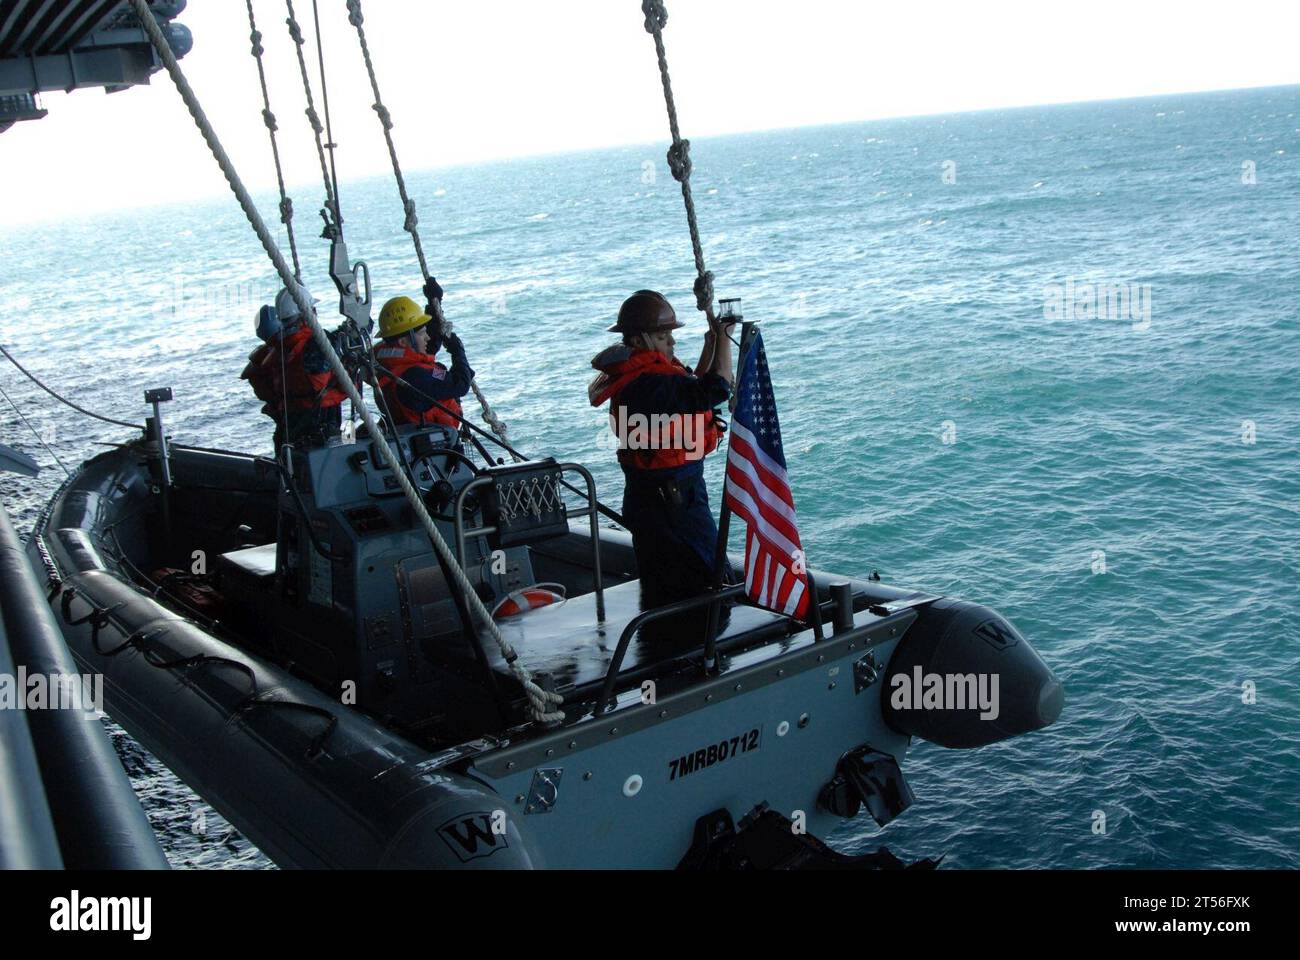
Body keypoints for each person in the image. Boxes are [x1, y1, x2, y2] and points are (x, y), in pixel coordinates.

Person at [588, 289, 735, 645]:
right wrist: (725, 339)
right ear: (640, 340)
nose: (671, 342)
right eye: (662, 335)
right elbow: (715, 389)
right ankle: (702, 655)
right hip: (673, 501)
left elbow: (691, 389)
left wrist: (711, 341)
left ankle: (667, 652)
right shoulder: (649, 385)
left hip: (654, 497)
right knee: (714, 578)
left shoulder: (644, 380)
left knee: (666, 580)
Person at [242, 284, 349, 450]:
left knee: (293, 467)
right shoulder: (318, 344)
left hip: (289, 430)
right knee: (351, 438)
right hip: (323, 429)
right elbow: (347, 376)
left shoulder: (276, 349)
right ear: (306, 314)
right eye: (313, 309)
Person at [372, 281, 474, 429]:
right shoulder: (415, 377)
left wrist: (434, 303)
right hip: (435, 443)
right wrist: (458, 350)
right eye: (422, 334)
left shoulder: (388, 358)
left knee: (436, 364)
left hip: (407, 430)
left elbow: (427, 348)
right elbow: (461, 384)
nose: (427, 337)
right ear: (403, 341)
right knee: (443, 372)